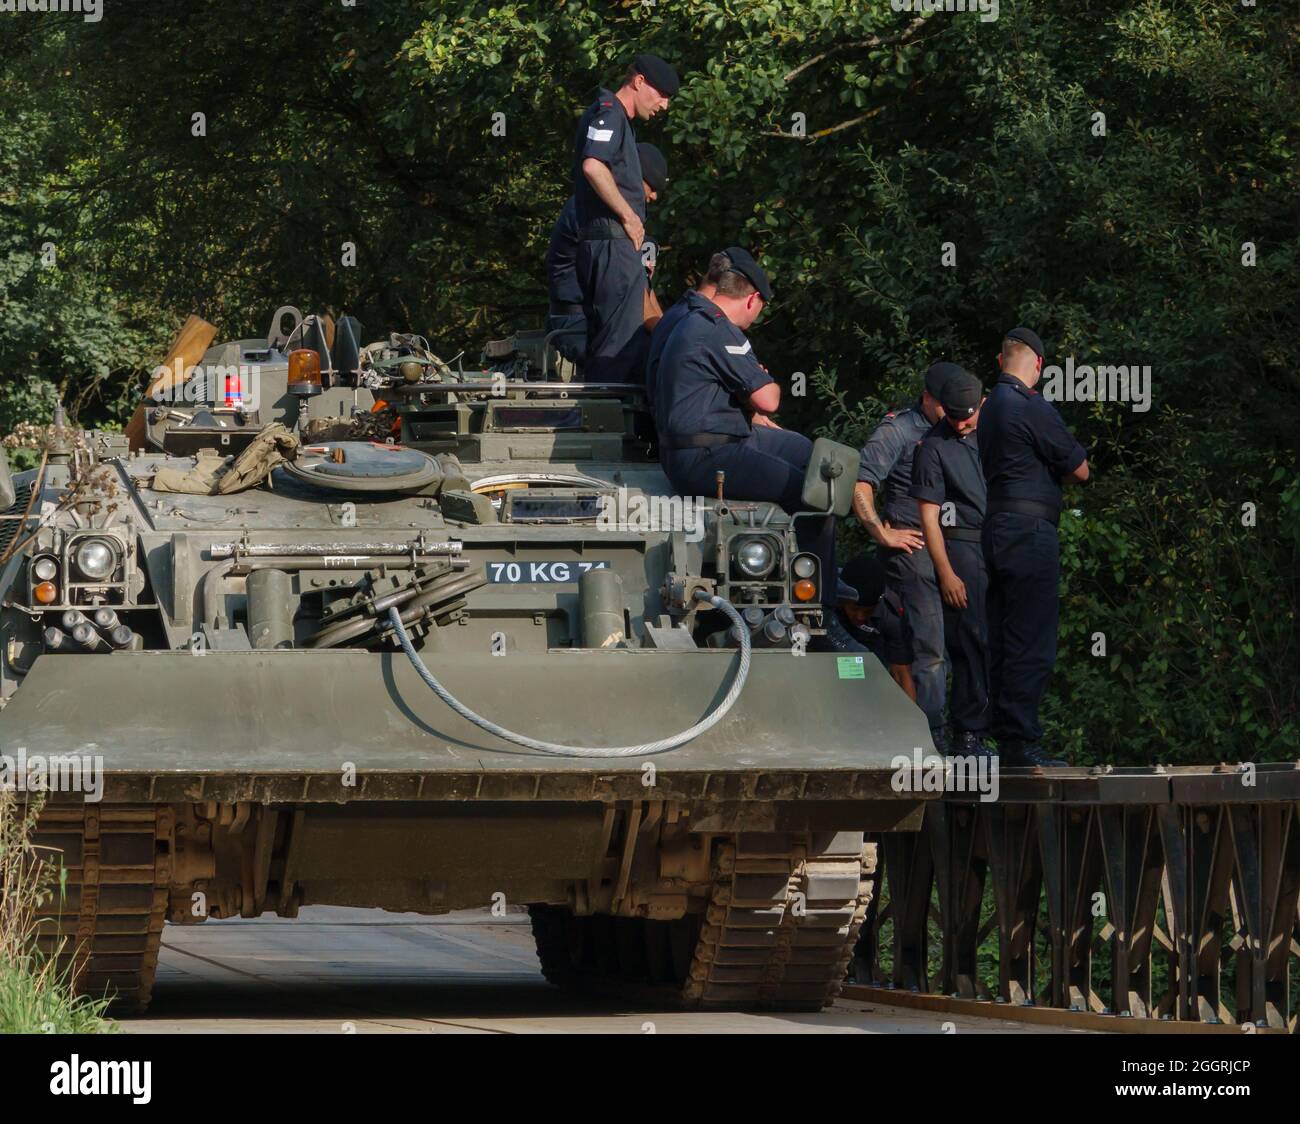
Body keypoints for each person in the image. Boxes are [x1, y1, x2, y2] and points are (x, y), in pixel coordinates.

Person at [978, 326, 1090, 768]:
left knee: (1003, 634)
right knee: (1032, 637)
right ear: (1039, 364)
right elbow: (1080, 469)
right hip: (1029, 531)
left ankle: (1004, 738)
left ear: (999, 358)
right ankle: (1021, 741)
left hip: (996, 526)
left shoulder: (987, 409)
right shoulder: (1031, 406)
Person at [654, 251, 812, 511]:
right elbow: (768, 400)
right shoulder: (719, 329)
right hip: (704, 456)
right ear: (753, 300)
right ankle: (811, 554)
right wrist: (765, 381)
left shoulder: (696, 319)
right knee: (806, 491)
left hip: (711, 443)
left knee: (804, 451)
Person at [853, 364, 952, 751]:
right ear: (927, 397)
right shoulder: (898, 430)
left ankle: (964, 733)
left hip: (953, 547)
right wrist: (881, 531)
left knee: (957, 644)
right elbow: (861, 484)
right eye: (945, 405)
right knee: (928, 649)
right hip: (913, 551)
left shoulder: (961, 425)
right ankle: (931, 739)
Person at [572, 53, 679, 382]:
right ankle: (609, 427)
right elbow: (593, 166)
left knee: (610, 339)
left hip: (604, 245)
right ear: (639, 82)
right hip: (613, 245)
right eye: (661, 95)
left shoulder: (613, 119)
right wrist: (629, 216)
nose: (663, 106)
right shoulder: (611, 115)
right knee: (620, 346)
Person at [910, 367, 991, 757]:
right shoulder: (932, 447)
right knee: (969, 640)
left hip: (999, 541)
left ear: (983, 405)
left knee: (1000, 640)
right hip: (960, 546)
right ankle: (968, 733)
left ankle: (1002, 732)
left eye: (968, 416)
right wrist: (946, 572)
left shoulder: (997, 430)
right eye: (954, 416)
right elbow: (929, 515)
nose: (961, 424)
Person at [545, 143, 669, 366]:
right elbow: (624, 288)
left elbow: (643, 292)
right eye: (651, 185)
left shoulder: (624, 218)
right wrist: (671, 338)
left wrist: (667, 330)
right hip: (578, 326)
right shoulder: (592, 211)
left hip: (607, 321)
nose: (654, 196)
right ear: (632, 176)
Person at [644, 246, 733, 413]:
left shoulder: (684, 310)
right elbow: (655, 324)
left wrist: (642, 281)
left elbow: (659, 325)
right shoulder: (702, 319)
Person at [836, 553, 916, 701]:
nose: (860, 617)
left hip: (871, 669)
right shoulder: (827, 603)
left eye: (867, 611)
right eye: (854, 609)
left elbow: (901, 673)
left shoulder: (891, 615)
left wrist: (911, 720)